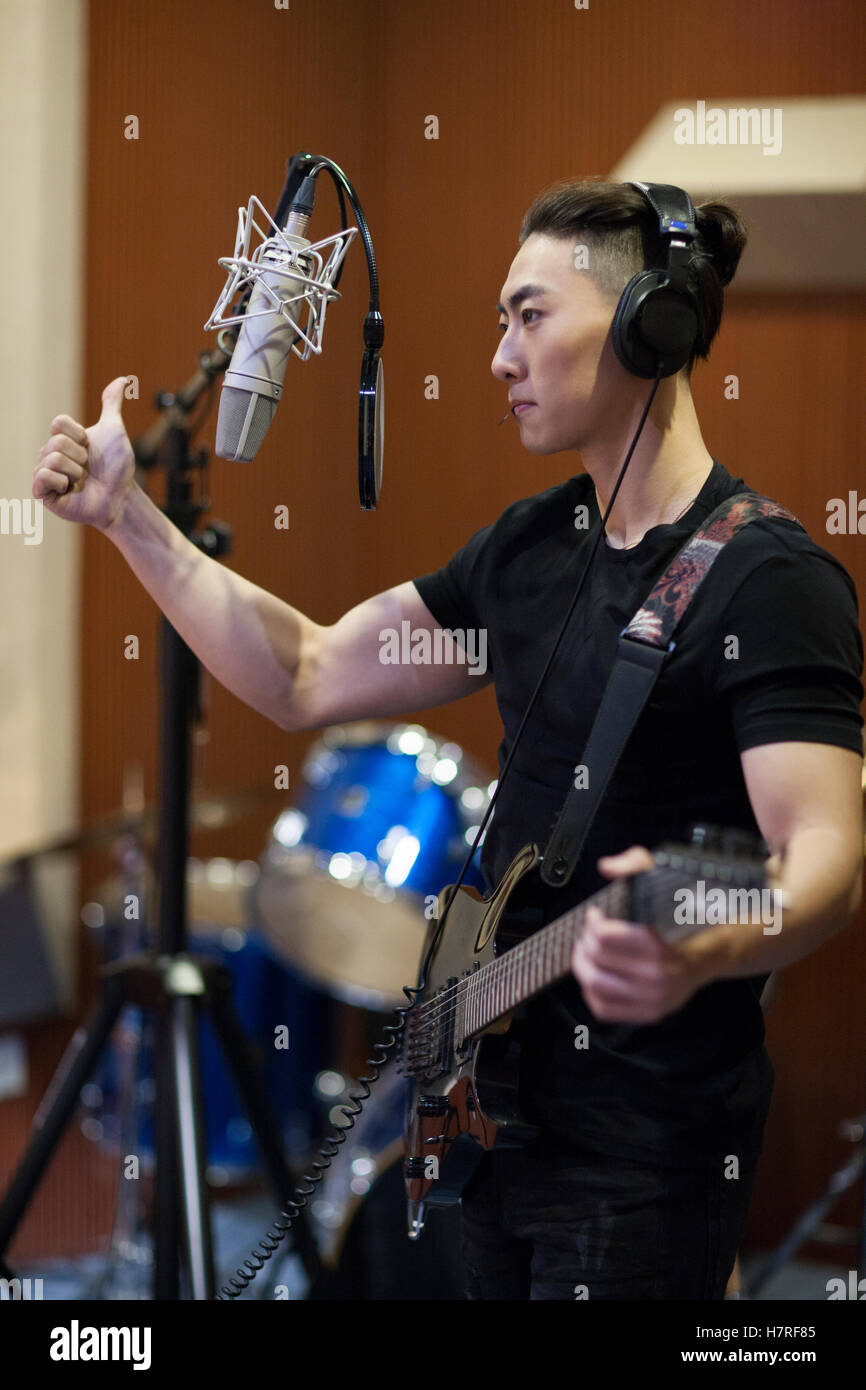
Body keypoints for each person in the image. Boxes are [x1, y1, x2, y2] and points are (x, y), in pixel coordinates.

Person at [33, 178, 863, 1301]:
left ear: (643, 329)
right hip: (487, 1116)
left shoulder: (772, 583)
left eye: (528, 316)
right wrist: (130, 518)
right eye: (498, 322)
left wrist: (705, 940)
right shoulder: (527, 550)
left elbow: (820, 860)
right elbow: (306, 670)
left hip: (644, 1152)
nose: (498, 357)